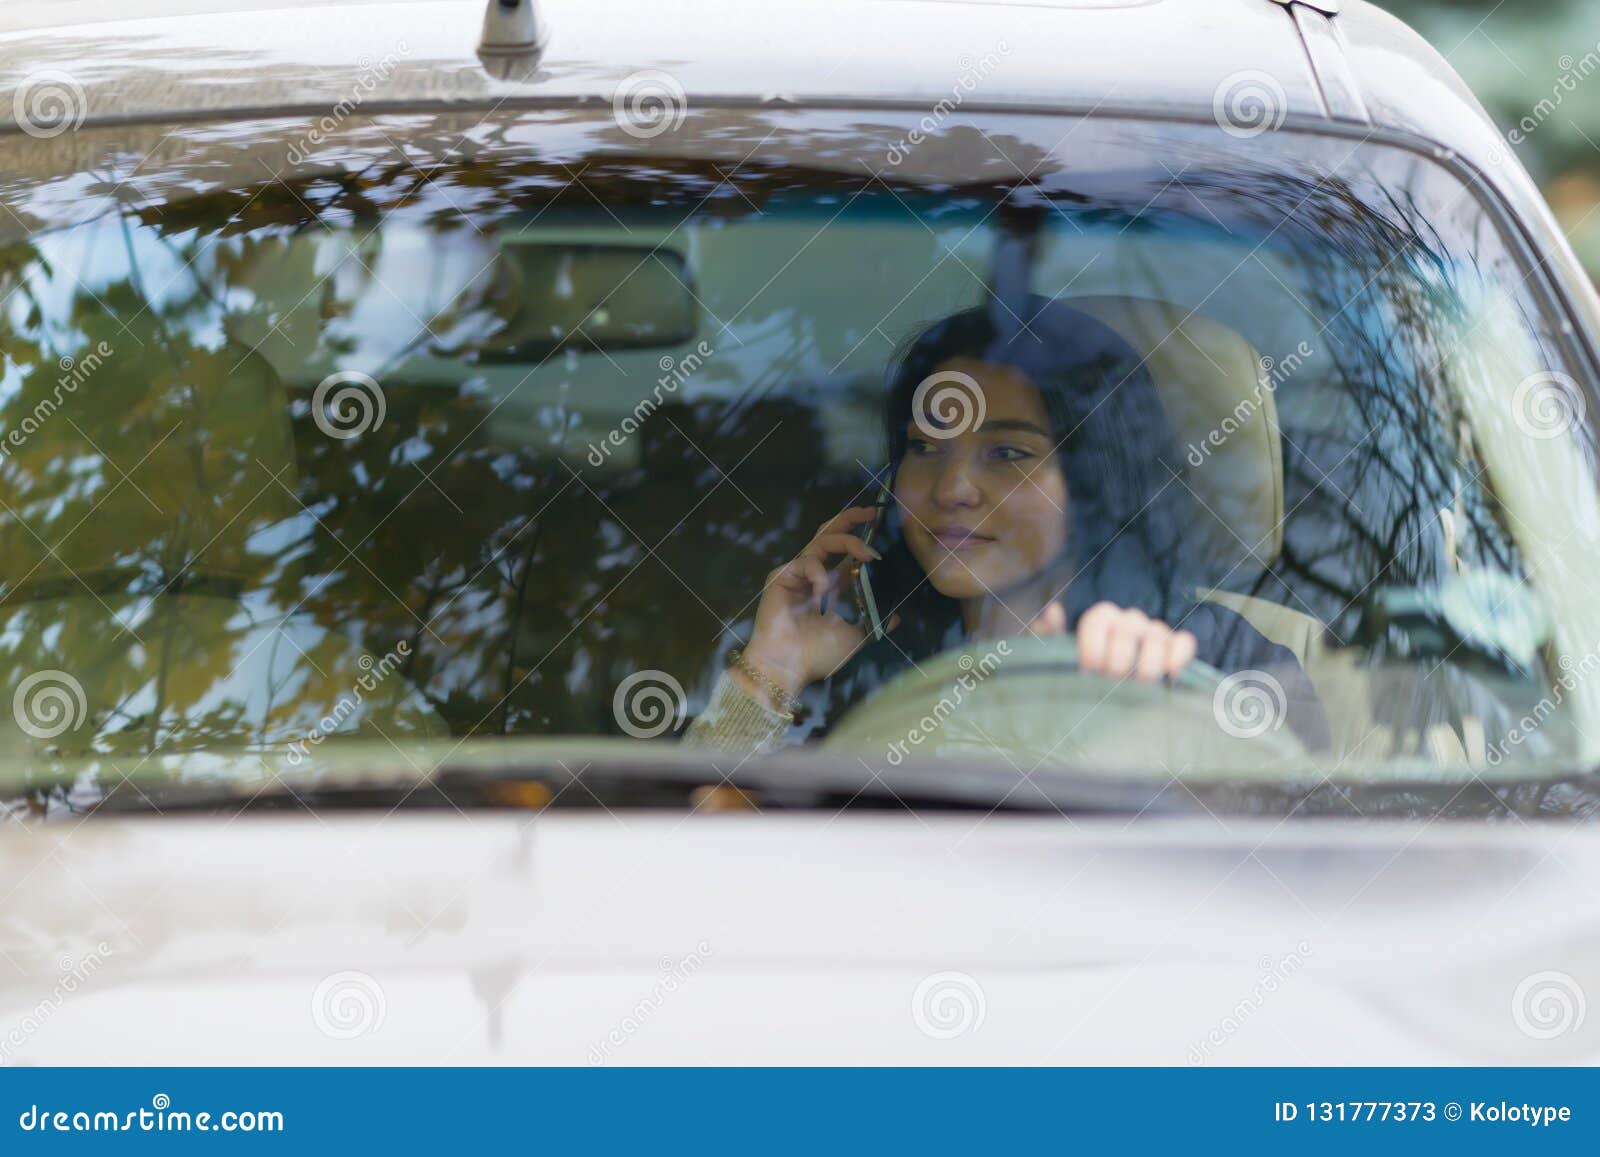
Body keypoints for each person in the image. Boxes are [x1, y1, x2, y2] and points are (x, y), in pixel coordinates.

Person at [684, 297, 1327, 754]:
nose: (952, 489)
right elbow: (696, 866)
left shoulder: (1220, 660)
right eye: (924, 448)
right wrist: (773, 665)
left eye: (1009, 454)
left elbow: (1308, 885)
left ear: (1093, 480)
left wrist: (1161, 721)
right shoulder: (875, 672)